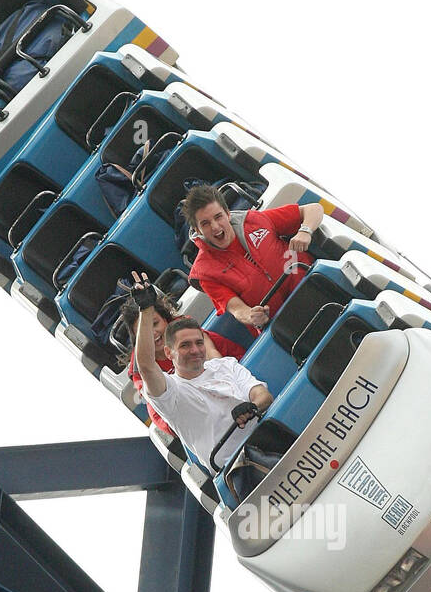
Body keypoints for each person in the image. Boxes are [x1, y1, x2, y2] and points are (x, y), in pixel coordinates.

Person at [132, 281, 273, 472]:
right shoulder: (170, 393)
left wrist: (251, 407)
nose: (195, 350)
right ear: (169, 353)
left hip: (267, 436)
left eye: (199, 342)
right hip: (238, 465)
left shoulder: (225, 365)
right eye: (185, 346)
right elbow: (147, 367)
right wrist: (146, 310)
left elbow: (263, 396)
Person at [183, 183, 324, 337]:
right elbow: (236, 309)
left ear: (228, 214)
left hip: (314, 288)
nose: (215, 227)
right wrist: (251, 315)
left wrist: (305, 231)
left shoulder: (254, 220)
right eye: (205, 223)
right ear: (198, 230)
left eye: (218, 217)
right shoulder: (205, 273)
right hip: (282, 325)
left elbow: (314, 209)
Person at [120, 272, 247, 435]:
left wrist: (229, 395)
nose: (153, 333)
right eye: (144, 330)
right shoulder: (140, 369)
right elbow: (163, 418)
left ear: (166, 319)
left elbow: (214, 357)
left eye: (155, 323)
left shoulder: (182, 326)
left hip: (236, 376)